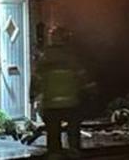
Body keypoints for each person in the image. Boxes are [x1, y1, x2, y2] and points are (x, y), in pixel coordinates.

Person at [32, 26, 87, 156]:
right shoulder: (72, 56)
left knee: (53, 140)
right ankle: (74, 152)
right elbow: (82, 76)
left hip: (51, 105)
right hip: (71, 104)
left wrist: (33, 96)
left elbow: (36, 79)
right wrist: (88, 90)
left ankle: (55, 155)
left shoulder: (45, 57)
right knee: (73, 136)